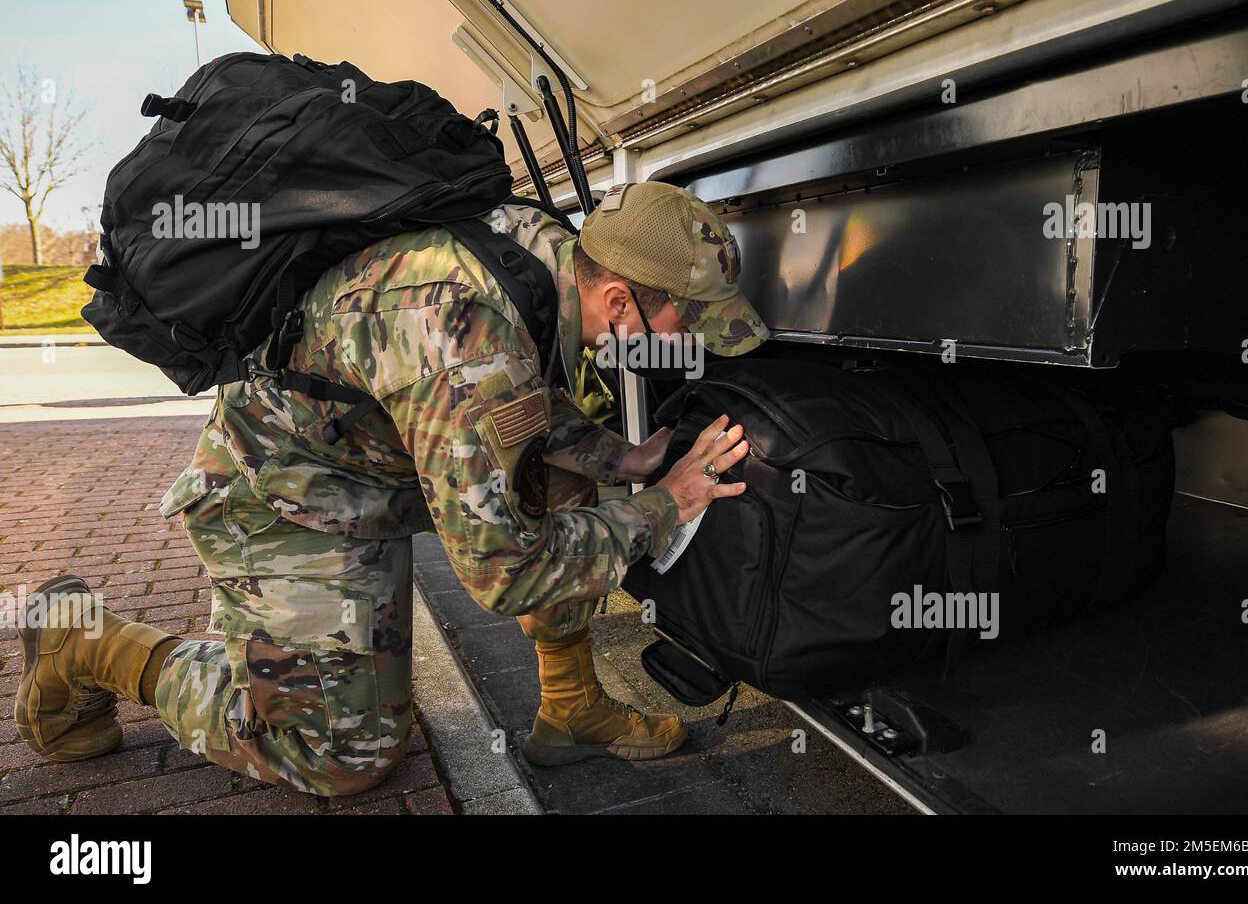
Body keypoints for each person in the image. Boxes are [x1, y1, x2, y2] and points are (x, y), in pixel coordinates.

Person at [15, 181, 768, 792]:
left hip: (368, 462)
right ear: (617, 300)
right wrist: (669, 501)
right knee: (346, 756)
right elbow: (505, 571)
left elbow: (522, 410)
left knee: (559, 476)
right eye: (684, 321)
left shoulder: (545, 249)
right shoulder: (472, 340)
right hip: (282, 495)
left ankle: (570, 707)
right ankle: (90, 642)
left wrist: (621, 459)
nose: (689, 341)